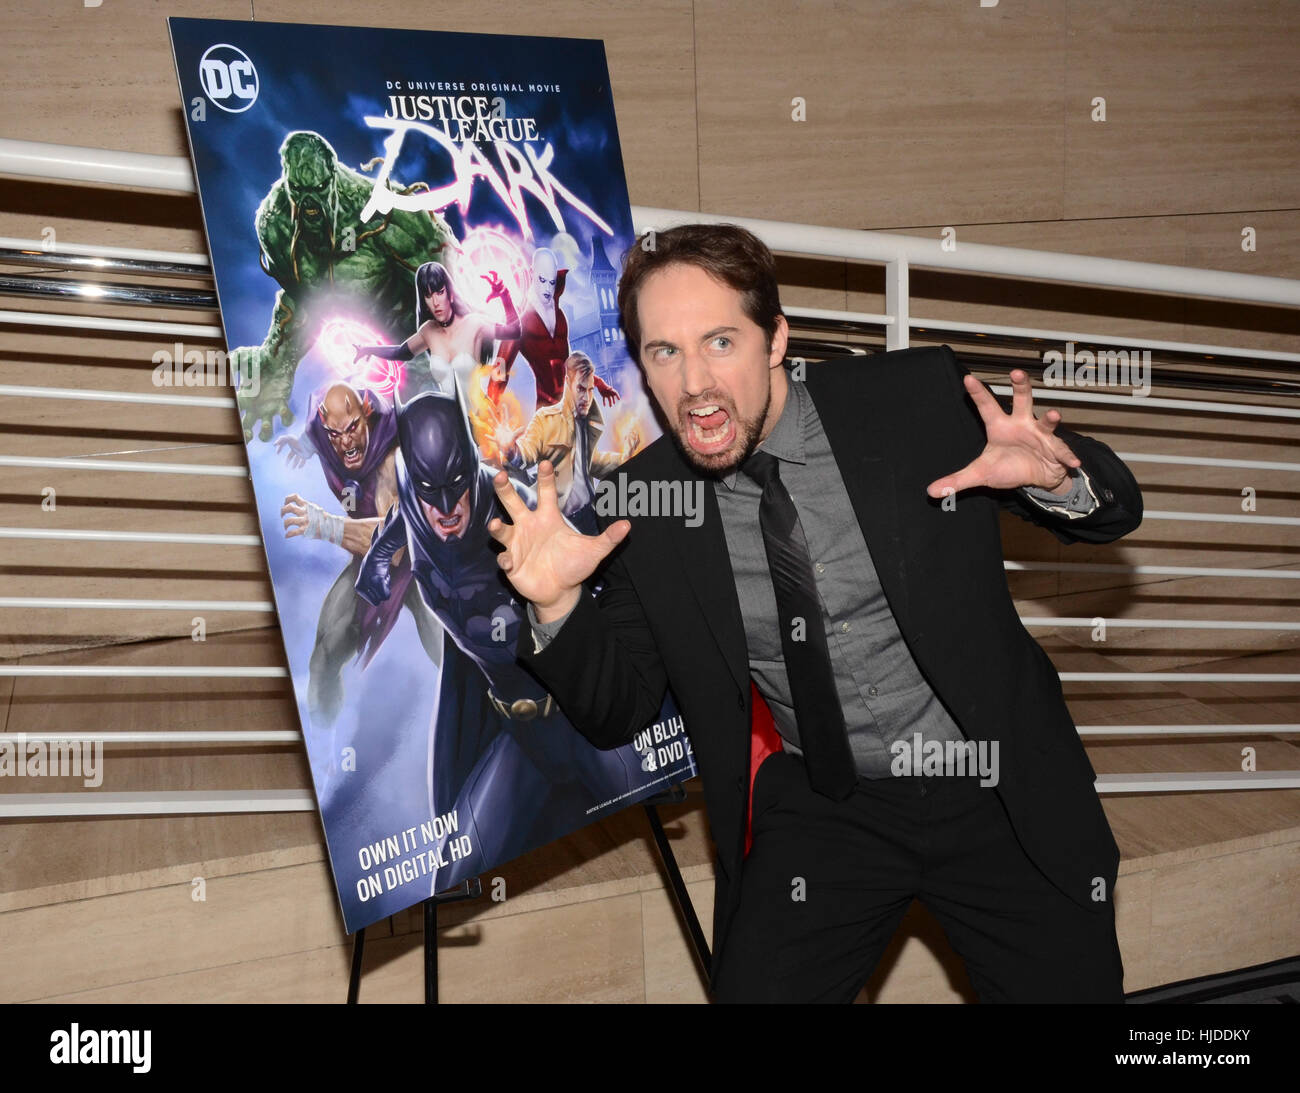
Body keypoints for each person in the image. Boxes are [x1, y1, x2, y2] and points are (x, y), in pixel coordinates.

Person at [491, 223, 1143, 1003]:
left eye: (721, 341)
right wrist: (559, 605)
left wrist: (1056, 482)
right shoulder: (645, 500)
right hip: (828, 808)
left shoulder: (913, 404)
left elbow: (1116, 509)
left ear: (776, 340)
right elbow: (617, 706)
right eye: (665, 352)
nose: (695, 382)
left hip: (990, 782)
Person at [496, 351, 640, 535]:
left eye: (590, 390)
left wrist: (625, 456)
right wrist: (511, 450)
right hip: (562, 523)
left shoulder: (587, 422)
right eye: (581, 389)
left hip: (591, 515)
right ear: (567, 383)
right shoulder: (546, 419)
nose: (587, 398)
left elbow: (591, 462)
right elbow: (527, 454)